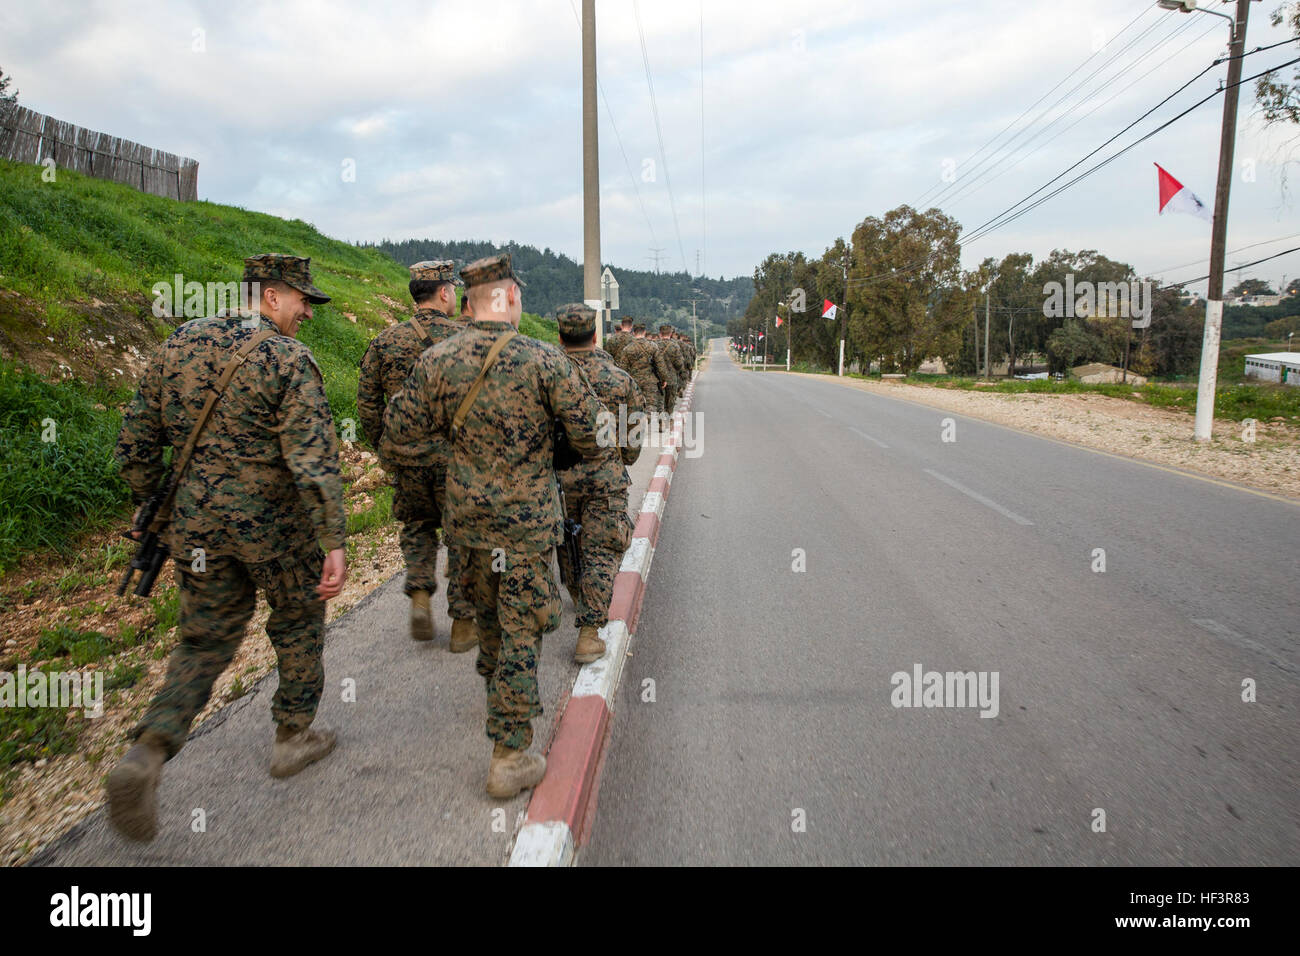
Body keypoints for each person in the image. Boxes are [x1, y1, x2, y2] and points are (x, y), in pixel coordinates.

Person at [107, 254, 347, 842]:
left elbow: (135, 445)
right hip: (276, 529)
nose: (306, 315)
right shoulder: (288, 359)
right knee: (297, 620)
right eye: (300, 302)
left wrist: (154, 505)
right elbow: (312, 462)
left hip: (195, 530)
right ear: (271, 296)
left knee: (203, 639)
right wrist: (333, 539)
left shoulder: (178, 343)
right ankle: (292, 737)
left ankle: (148, 749)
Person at [380, 254, 605, 798]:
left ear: (469, 302)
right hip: (526, 526)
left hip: (467, 525)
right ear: (510, 297)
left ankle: (501, 700)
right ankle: (508, 753)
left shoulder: (437, 361)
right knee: (522, 628)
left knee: (492, 625)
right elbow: (594, 434)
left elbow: (397, 438)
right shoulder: (544, 362)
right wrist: (548, 456)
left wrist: (456, 461)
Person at [357, 260, 477, 650]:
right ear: (444, 293)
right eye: (453, 289)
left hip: (407, 458)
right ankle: (463, 623)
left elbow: (368, 405)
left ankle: (421, 594)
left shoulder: (385, 341)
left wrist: (385, 447)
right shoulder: (468, 339)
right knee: (463, 536)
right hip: (457, 461)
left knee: (417, 526)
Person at [553, 304, 642, 664]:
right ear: (594, 336)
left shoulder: (546, 375)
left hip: (558, 479)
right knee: (602, 550)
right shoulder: (620, 380)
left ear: (559, 337)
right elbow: (632, 447)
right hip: (604, 480)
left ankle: (577, 597)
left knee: (567, 544)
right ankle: (590, 632)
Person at [618, 322, 671, 415]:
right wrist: (664, 379)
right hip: (650, 382)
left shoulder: (627, 348)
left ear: (633, 333)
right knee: (651, 407)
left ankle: (638, 425)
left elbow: (623, 369)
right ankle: (649, 422)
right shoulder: (653, 346)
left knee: (635, 407)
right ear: (644, 332)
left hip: (634, 382)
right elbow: (660, 365)